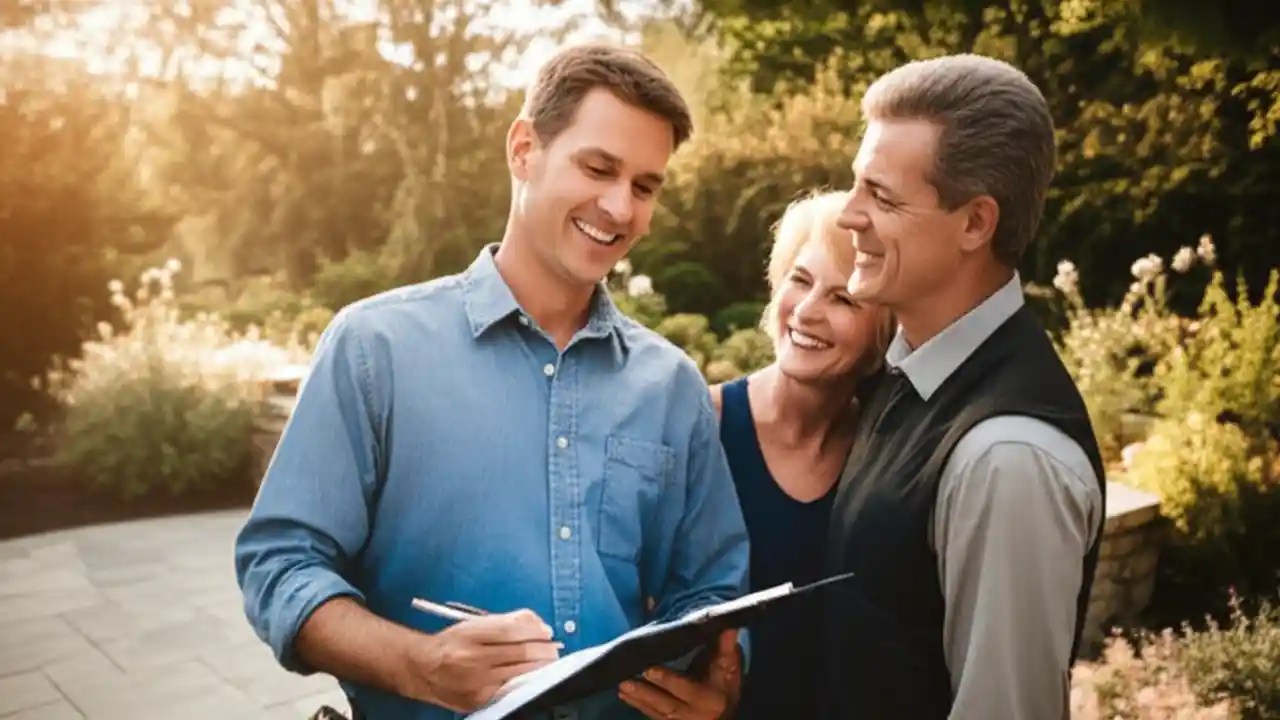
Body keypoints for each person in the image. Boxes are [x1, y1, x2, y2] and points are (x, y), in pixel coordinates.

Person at [234, 43, 750, 720]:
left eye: (646, 186)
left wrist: (721, 673)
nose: (621, 208)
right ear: (524, 149)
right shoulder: (373, 350)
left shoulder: (672, 385)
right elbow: (280, 565)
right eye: (598, 168)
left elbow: (708, 588)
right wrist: (417, 666)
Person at [820, 54, 1107, 718]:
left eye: (882, 197)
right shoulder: (905, 373)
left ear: (976, 223)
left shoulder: (1007, 460)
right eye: (856, 186)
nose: (849, 216)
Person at [618, 191, 893, 720]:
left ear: (885, 331)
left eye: (844, 299)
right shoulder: (701, 425)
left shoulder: (887, 454)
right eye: (800, 280)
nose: (808, 312)